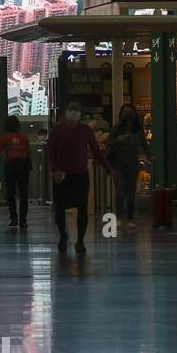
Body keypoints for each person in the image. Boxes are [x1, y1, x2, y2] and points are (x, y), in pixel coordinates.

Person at [46, 100, 115, 254]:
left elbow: (96, 151)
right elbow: (50, 151)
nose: (74, 113)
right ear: (66, 112)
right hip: (61, 176)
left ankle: (80, 241)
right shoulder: (57, 131)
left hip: (80, 176)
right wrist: (55, 170)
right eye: (71, 109)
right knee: (59, 211)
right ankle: (63, 236)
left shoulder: (85, 131)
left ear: (80, 114)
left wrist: (108, 168)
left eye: (77, 110)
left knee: (82, 210)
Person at [105, 105, 151, 232]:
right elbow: (109, 142)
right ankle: (120, 217)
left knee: (130, 193)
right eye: (125, 113)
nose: (128, 116)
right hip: (118, 164)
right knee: (120, 192)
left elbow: (143, 142)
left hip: (133, 165)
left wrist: (150, 155)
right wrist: (118, 139)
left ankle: (130, 218)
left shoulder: (137, 129)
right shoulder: (117, 128)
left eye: (130, 113)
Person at [0, 115, 31, 228]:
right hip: (23, 167)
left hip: (11, 166)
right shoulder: (24, 138)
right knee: (24, 195)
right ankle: (23, 220)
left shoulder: (4, 138)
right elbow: (28, 156)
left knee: (11, 194)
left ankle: (14, 218)